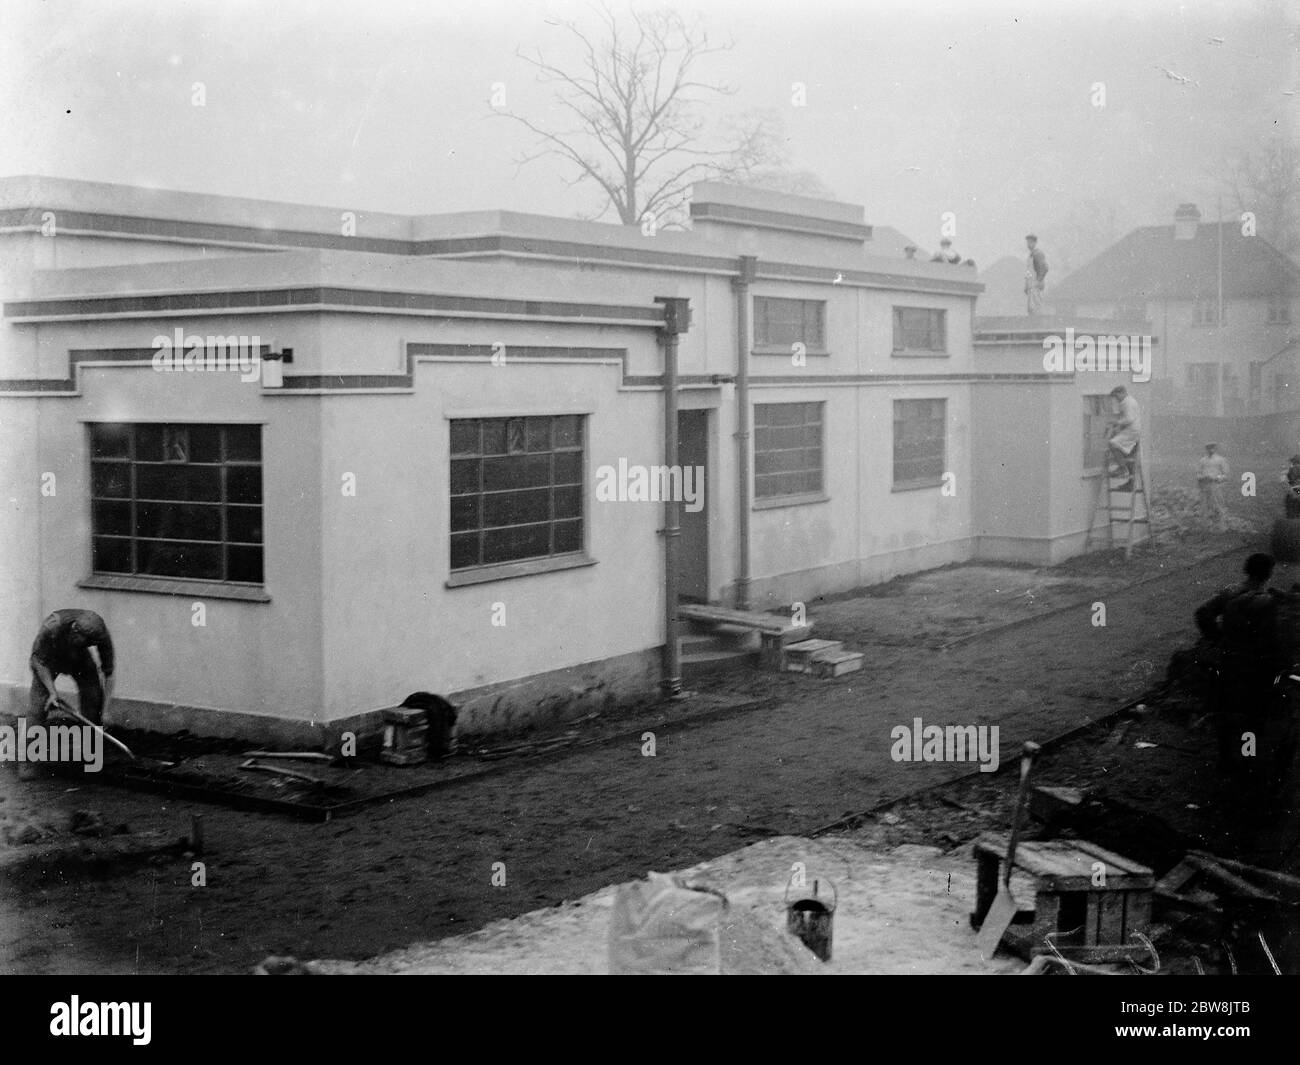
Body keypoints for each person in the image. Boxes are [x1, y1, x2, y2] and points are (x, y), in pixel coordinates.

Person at [1194, 554, 1294, 791]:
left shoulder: (1231, 591)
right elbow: (1272, 640)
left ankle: (1225, 758)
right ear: (1269, 573)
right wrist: (1284, 665)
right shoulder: (1267, 602)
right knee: (1254, 715)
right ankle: (1247, 758)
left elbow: (1202, 613)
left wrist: (1217, 638)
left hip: (1228, 661)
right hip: (1256, 667)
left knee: (1226, 709)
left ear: (1246, 570)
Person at [24, 610, 115, 779]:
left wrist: (106, 709)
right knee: (38, 705)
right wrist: (52, 692)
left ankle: (90, 755)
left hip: (78, 658)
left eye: (90, 643)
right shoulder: (52, 626)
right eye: (83, 640)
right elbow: (37, 661)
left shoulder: (100, 635)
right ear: (74, 629)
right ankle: (28, 762)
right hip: (47, 660)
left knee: (94, 697)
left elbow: (108, 672)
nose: (89, 644)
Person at [1106, 385, 1141, 489]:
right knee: (1127, 454)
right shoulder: (1131, 401)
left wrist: (1117, 422)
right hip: (1134, 430)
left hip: (1131, 430)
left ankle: (1122, 468)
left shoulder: (1127, 402)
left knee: (1112, 444)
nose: (1117, 400)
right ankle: (1130, 483)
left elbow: (1129, 419)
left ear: (1122, 393)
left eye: (1117, 397)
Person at [1195, 442, 1229, 527]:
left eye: (1212, 448)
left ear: (1215, 449)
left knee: (1218, 504)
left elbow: (1225, 474)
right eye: (1209, 448)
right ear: (1206, 449)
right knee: (1204, 505)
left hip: (1216, 486)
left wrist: (1217, 478)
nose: (1211, 450)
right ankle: (1205, 525)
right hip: (1204, 485)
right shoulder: (1202, 460)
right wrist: (1202, 477)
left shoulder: (1221, 460)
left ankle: (1221, 524)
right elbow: (1198, 472)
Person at [1024, 234, 1048, 314]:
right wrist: (1026, 285)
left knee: (1037, 307)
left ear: (1035, 243)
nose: (1028, 244)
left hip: (1036, 285)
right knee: (1031, 308)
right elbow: (1028, 272)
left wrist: (1038, 280)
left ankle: (1039, 324)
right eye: (1027, 242)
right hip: (1031, 286)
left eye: (1030, 242)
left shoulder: (1038, 254)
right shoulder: (1030, 255)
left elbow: (1044, 268)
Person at [1281, 455, 1300, 519]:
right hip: (1297, 490)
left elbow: (1289, 479)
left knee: (1291, 511)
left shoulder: (1292, 469)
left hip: (1295, 490)